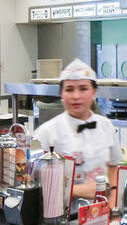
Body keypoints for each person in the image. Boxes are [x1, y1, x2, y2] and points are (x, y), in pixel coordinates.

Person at [33, 59, 121, 200]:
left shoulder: (106, 126)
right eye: (69, 89)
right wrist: (80, 190)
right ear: (61, 94)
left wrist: (112, 207)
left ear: (94, 92)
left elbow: (113, 167)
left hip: (102, 212)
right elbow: (36, 183)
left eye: (83, 88)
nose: (76, 96)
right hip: (63, 216)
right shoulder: (46, 133)